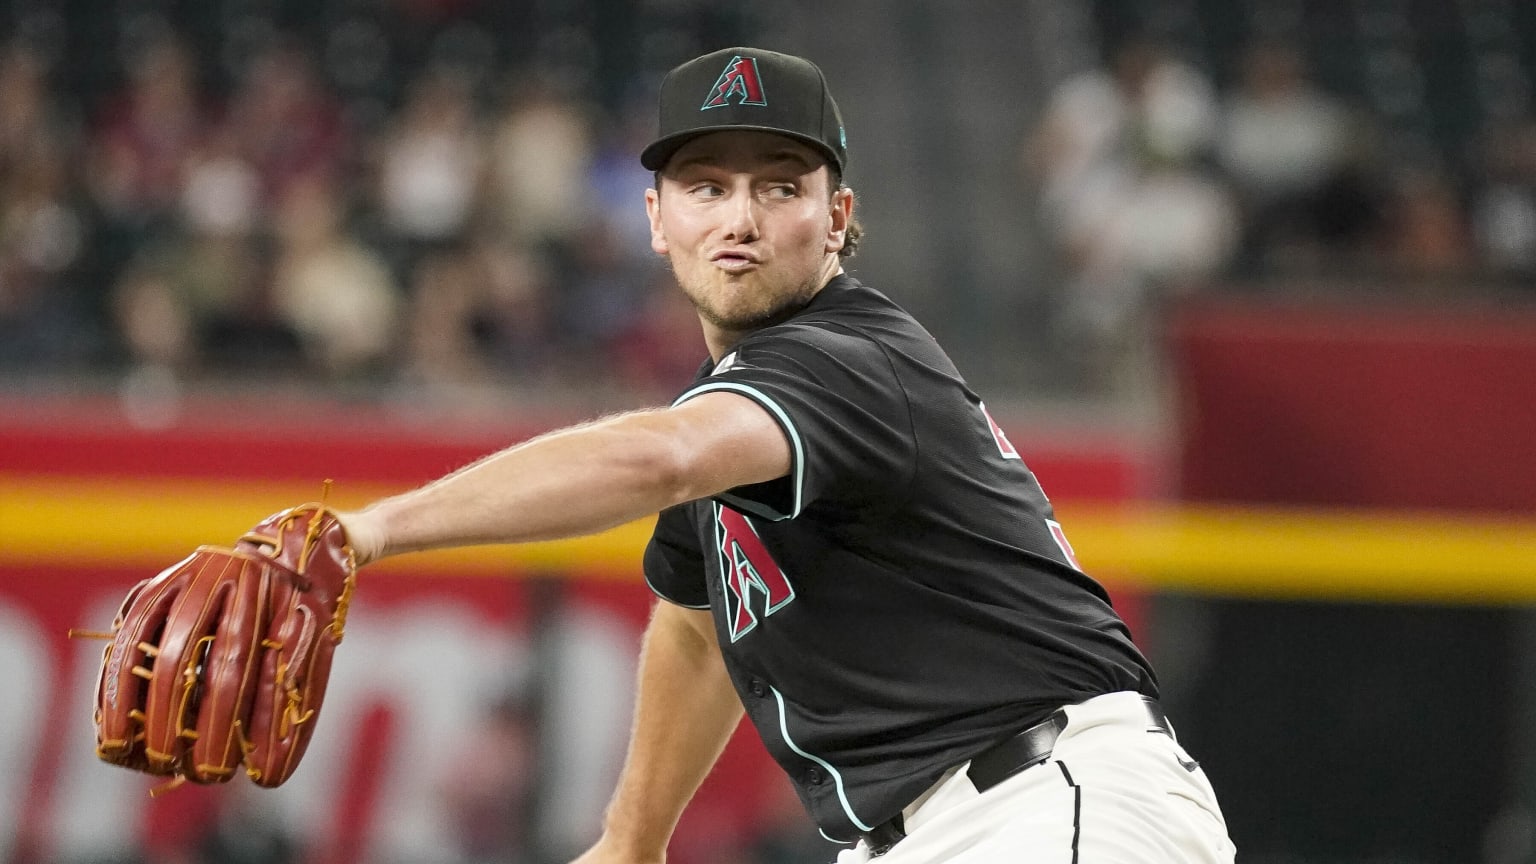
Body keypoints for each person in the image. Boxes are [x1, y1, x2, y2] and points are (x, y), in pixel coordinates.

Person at [334, 47, 1235, 863]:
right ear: (657, 218)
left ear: (837, 216)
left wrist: (371, 530)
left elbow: (663, 458)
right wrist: (630, 840)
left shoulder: (843, 358)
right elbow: (694, 632)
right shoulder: (736, 408)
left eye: (779, 186)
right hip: (942, 829)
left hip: (1044, 802)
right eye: (706, 186)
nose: (741, 217)